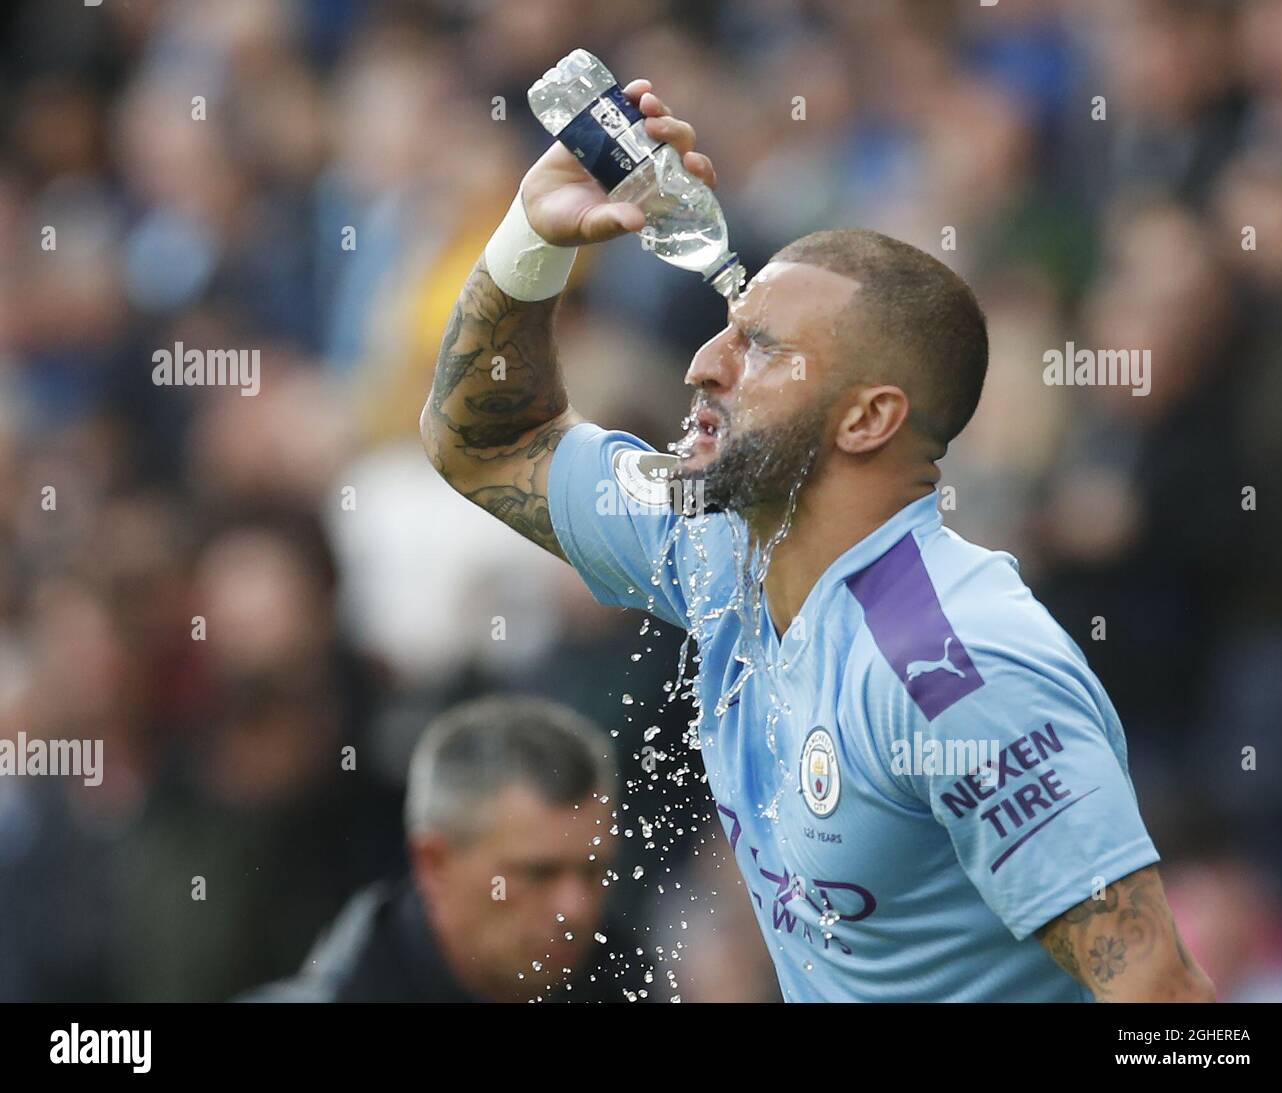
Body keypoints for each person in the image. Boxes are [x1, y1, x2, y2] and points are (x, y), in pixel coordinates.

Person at [419, 78, 1215, 1003]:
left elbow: (1170, 1001)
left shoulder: (958, 667)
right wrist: (534, 236)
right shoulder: (716, 548)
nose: (702, 364)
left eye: (757, 348)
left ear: (869, 418)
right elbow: (484, 443)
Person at [242, 696, 648, 1002]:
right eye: (538, 873)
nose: (573, 908)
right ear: (433, 863)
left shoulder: (633, 984)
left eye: (594, 872)